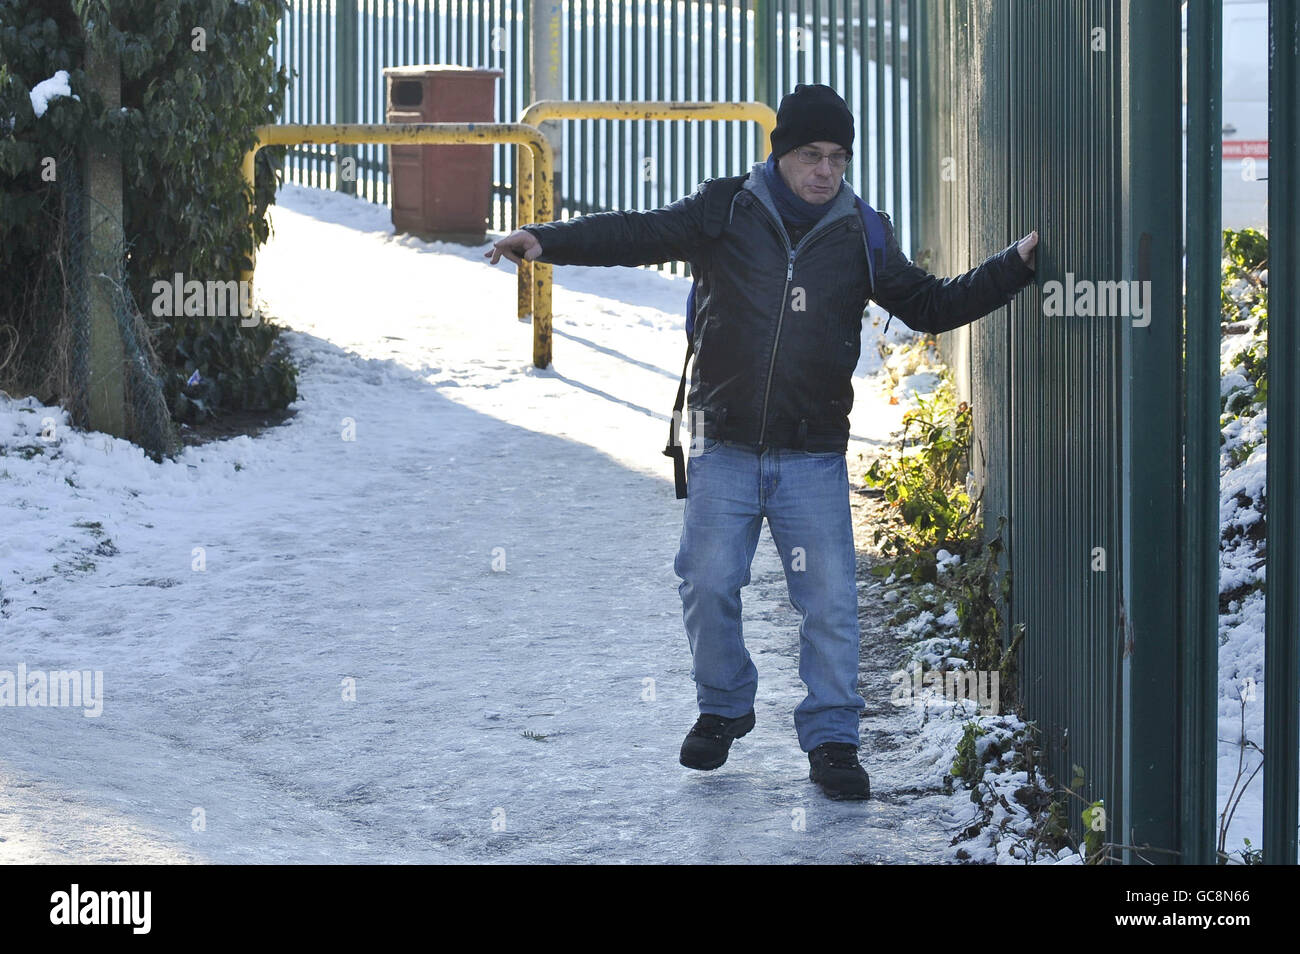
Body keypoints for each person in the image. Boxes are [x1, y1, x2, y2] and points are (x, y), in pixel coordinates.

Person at [486, 84, 1038, 801]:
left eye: (838, 158)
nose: (826, 171)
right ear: (781, 153)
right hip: (724, 440)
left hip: (810, 449)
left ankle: (834, 738)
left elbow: (932, 304)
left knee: (831, 600)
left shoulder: (864, 233)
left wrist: (1015, 265)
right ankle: (723, 708)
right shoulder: (725, 210)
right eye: (812, 155)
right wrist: (547, 240)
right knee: (708, 580)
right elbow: (639, 232)